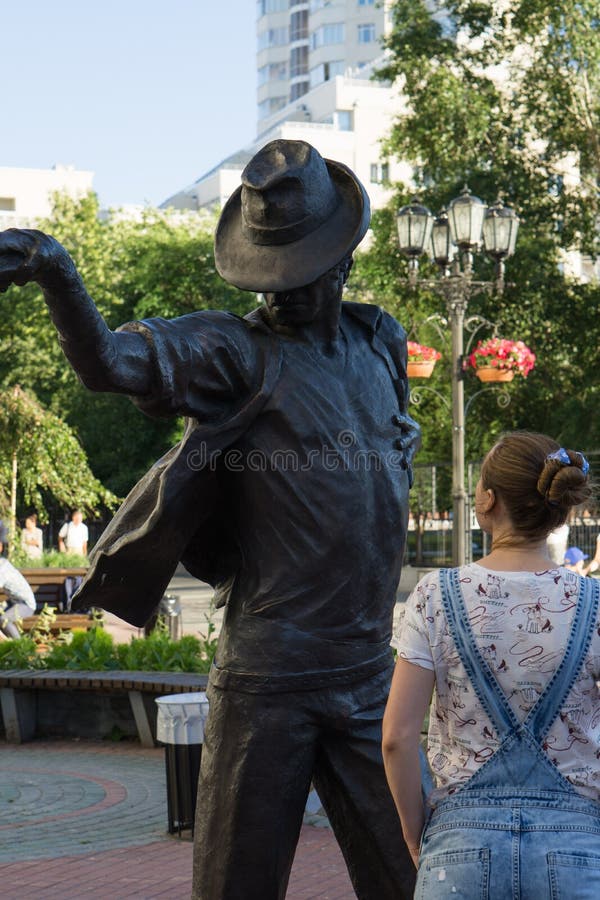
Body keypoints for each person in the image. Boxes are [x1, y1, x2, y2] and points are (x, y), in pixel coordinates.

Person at [0, 139, 420, 899]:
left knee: (410, 879)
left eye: (296, 272)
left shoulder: (377, 341)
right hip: (269, 686)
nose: (279, 291)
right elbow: (108, 365)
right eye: (268, 273)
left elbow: (388, 446)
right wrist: (56, 270)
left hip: (367, 676)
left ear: (340, 260)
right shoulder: (235, 351)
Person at [383, 433, 600, 898]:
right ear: (558, 508)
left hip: (459, 846)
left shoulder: (433, 596)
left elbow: (397, 739)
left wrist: (414, 832)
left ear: (486, 498)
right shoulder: (594, 603)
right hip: (576, 845)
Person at [0, 523, 36, 638]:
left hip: (26, 605)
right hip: (14, 602)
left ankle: (19, 647)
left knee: (4, 620)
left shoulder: (2, 567)